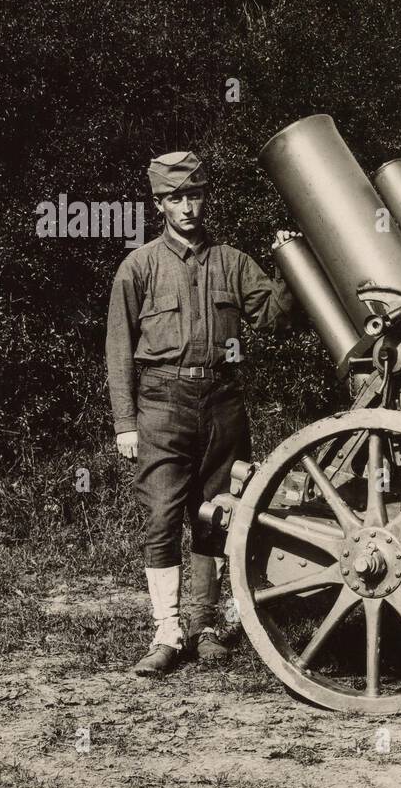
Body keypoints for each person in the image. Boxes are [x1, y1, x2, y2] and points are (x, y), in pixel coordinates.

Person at [106, 150, 299, 676]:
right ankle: (167, 632)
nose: (187, 207)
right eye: (176, 199)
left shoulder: (233, 262)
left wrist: (292, 263)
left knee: (216, 516)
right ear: (159, 204)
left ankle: (205, 625)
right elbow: (119, 350)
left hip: (221, 402)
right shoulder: (139, 266)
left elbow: (275, 320)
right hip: (161, 405)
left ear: (205, 198)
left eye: (194, 196)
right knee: (162, 517)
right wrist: (126, 423)